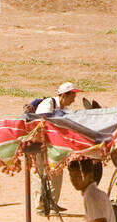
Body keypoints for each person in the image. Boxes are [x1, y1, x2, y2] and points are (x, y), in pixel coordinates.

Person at [32, 82, 82, 215]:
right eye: (72, 96)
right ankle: (40, 207)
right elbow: (42, 123)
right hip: (40, 143)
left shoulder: (63, 108)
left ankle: (53, 202)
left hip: (53, 144)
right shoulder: (47, 104)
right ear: (64, 95)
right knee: (40, 175)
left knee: (57, 172)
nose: (73, 100)